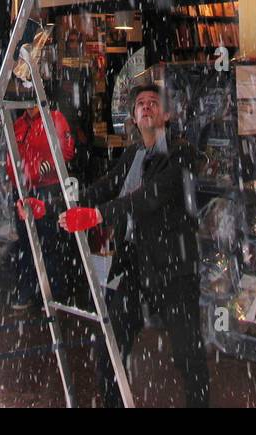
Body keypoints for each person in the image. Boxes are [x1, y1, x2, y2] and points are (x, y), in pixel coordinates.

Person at [60, 82, 210, 408]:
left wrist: (98, 216)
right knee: (110, 345)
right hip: (137, 267)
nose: (146, 107)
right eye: (140, 103)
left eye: (153, 103)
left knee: (188, 355)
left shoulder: (180, 153)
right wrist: (56, 205)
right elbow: (105, 186)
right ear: (132, 116)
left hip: (174, 269)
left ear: (166, 114)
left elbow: (148, 198)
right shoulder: (133, 153)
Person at [7, 103, 78, 309]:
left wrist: (41, 169)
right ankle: (28, 290)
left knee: (49, 242)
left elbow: (66, 151)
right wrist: (16, 176)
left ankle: (54, 294)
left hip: (48, 189)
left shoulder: (54, 118)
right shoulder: (19, 123)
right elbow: (12, 155)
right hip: (22, 191)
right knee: (27, 242)